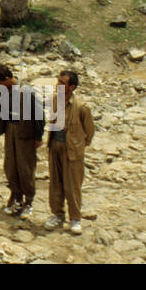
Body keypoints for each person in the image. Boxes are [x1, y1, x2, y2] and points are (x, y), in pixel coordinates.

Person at [45, 69, 95, 235]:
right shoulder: (54, 101)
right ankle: (57, 215)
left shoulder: (81, 107)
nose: (57, 85)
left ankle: (75, 218)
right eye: (58, 81)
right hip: (55, 147)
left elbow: (89, 132)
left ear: (71, 87)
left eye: (62, 82)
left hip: (72, 152)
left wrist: (78, 145)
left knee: (73, 186)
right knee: (55, 184)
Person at [0, 63, 44, 219]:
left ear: (7, 79)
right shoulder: (3, 91)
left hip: (25, 133)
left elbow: (39, 115)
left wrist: (38, 136)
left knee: (25, 168)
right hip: (10, 130)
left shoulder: (26, 91)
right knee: (10, 166)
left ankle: (28, 201)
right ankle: (15, 197)